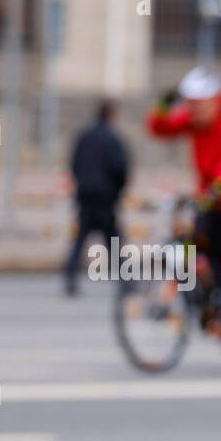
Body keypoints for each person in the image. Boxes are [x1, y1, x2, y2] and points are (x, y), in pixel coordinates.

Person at [146, 67, 221, 329]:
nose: (193, 110)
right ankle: (204, 290)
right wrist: (164, 105)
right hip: (209, 198)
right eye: (189, 104)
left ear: (213, 100)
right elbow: (159, 128)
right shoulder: (194, 120)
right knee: (194, 242)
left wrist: (218, 187)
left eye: (198, 104)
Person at [63, 99, 130, 296]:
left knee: (80, 238)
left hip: (85, 194)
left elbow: (74, 163)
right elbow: (120, 168)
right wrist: (118, 190)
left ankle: (70, 275)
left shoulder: (84, 136)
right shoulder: (112, 138)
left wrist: (82, 184)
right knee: (113, 239)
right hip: (105, 197)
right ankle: (125, 279)